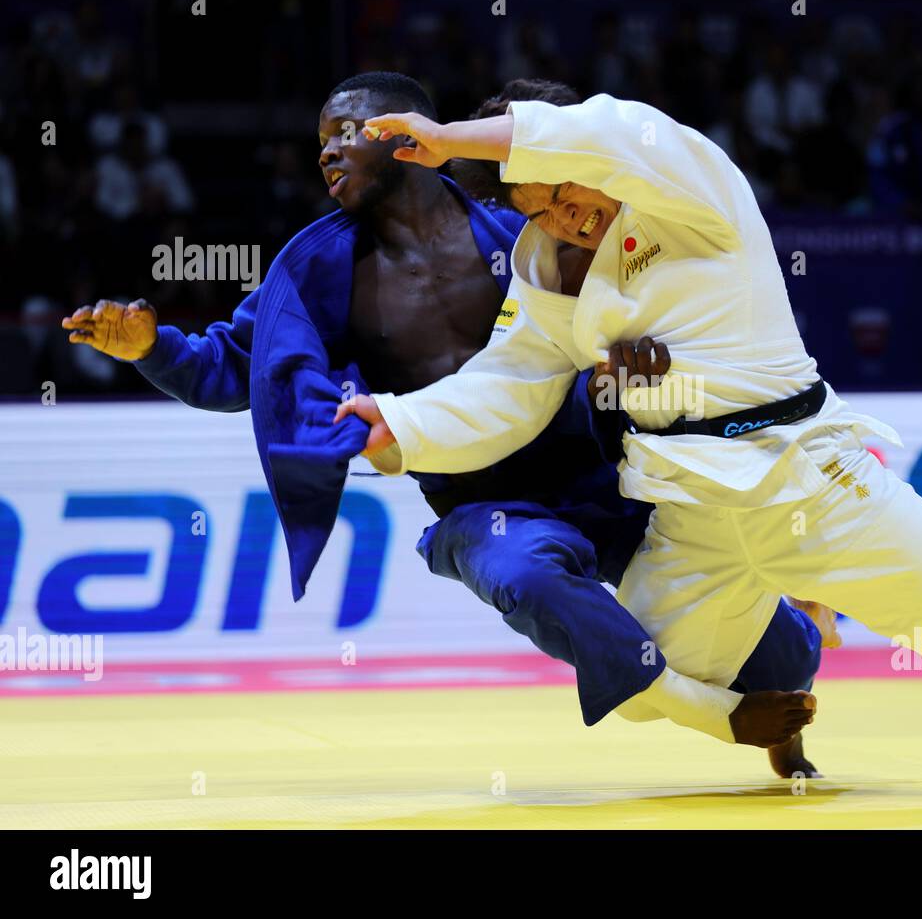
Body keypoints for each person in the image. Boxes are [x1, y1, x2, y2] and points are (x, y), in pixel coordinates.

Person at [339, 89, 922, 795]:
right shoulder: (542, 274)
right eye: (542, 208)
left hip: (811, 480)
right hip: (687, 513)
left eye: (569, 194)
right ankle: (798, 626)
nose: (568, 220)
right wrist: (402, 423)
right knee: (635, 667)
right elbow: (509, 384)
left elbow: (616, 128)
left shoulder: (692, 186)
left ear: (584, 155)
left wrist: (453, 138)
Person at [63, 73, 826, 775]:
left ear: (406, 135)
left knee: (787, 663)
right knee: (528, 576)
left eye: (347, 130)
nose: (328, 148)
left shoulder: (522, 238)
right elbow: (236, 368)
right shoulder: (317, 271)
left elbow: (643, 318)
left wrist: (637, 364)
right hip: (483, 512)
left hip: (607, 479)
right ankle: (718, 719)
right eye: (320, 139)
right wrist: (152, 348)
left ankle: (781, 687)